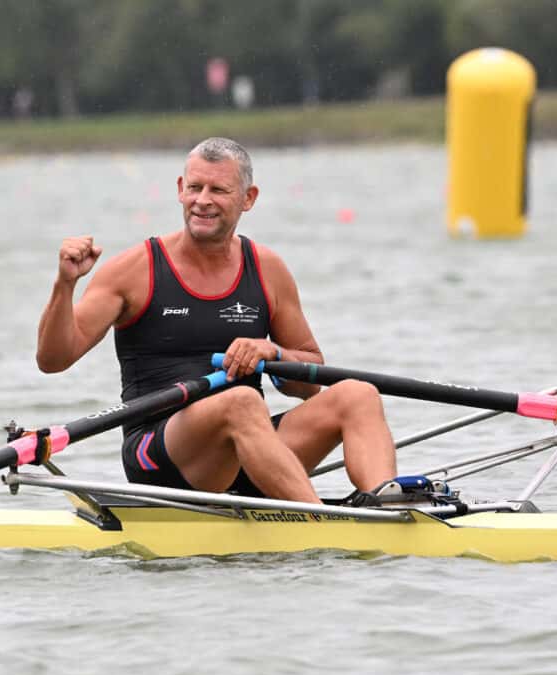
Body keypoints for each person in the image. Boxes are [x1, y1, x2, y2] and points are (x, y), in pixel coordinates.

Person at [36, 137, 397, 504]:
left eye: (218, 190)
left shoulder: (268, 270)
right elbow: (52, 360)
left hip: (250, 450)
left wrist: (271, 352)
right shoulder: (134, 271)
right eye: (194, 187)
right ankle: (319, 522)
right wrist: (64, 285)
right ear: (180, 189)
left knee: (358, 394)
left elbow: (309, 385)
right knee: (240, 401)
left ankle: (389, 509)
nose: (202, 200)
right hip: (160, 456)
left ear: (248, 198)